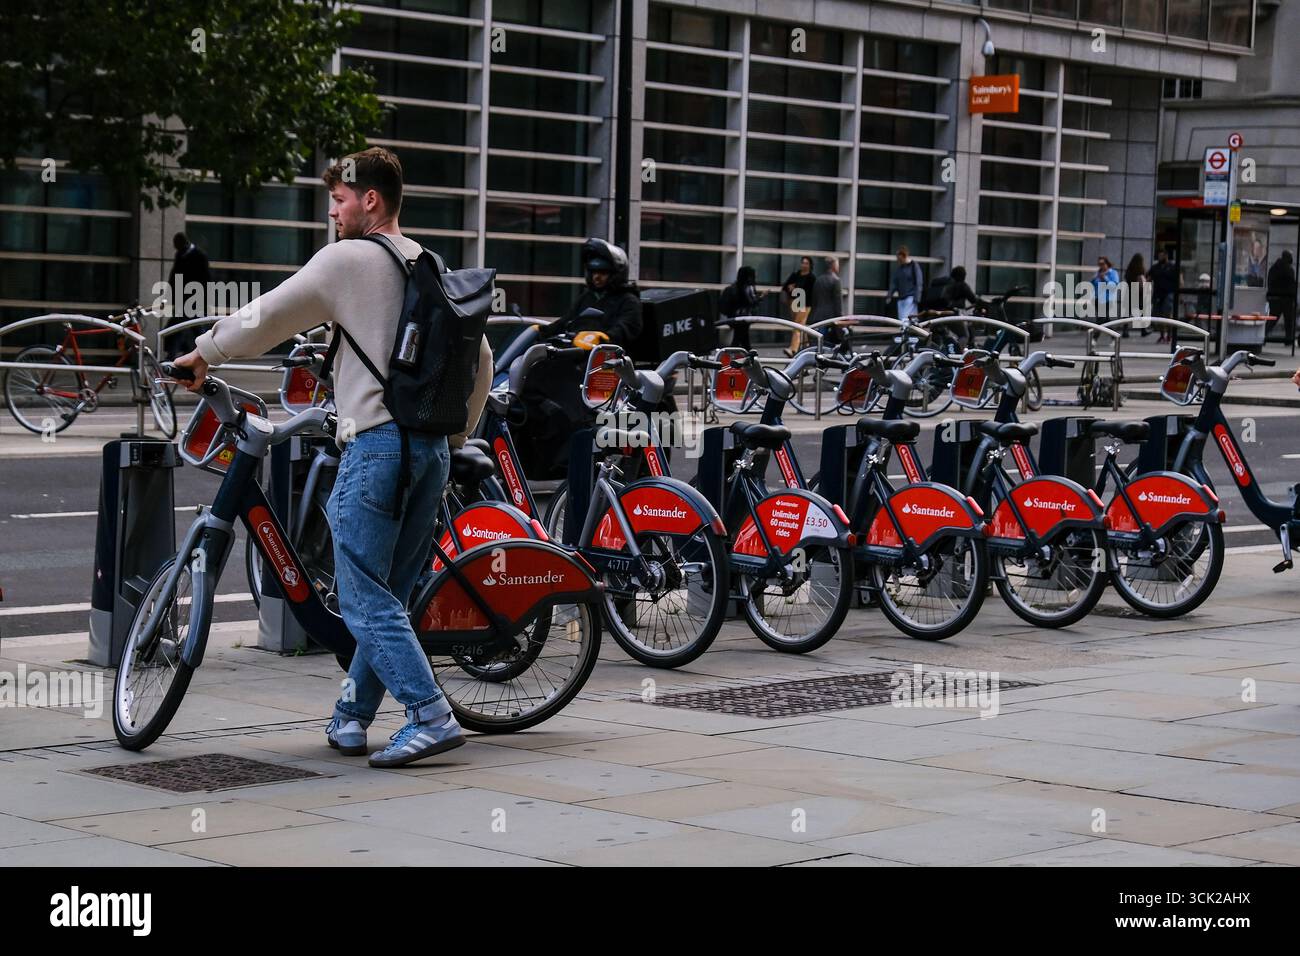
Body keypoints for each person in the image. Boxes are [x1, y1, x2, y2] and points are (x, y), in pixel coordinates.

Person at [173, 147, 493, 769]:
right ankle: (352, 717)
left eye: (340, 201)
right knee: (388, 595)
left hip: (375, 446)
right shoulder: (428, 263)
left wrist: (205, 351)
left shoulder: (348, 261)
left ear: (371, 200)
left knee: (360, 598)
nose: (333, 213)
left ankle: (430, 715)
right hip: (428, 452)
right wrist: (453, 440)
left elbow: (269, 314)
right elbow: (478, 360)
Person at [555, 238, 642, 349]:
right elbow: (565, 321)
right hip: (576, 353)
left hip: (610, 358)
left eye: (603, 272)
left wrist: (605, 337)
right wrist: (539, 331)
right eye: (594, 272)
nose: (596, 277)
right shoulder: (588, 297)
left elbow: (626, 327)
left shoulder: (628, 300)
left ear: (616, 273)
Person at [165, 232, 212, 359]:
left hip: (195, 299)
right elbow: (174, 276)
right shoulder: (180, 255)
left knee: (179, 327)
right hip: (182, 299)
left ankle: (172, 354)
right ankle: (204, 354)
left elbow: (206, 279)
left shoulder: (200, 256)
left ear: (185, 243)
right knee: (193, 328)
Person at [719, 265, 763, 351]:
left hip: (734, 317)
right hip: (744, 318)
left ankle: (747, 356)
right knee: (739, 341)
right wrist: (761, 297)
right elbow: (752, 301)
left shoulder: (735, 287)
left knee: (742, 340)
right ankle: (731, 356)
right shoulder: (748, 287)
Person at [941, 266, 984, 347]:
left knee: (947, 334)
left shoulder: (947, 284)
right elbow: (973, 299)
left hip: (940, 313)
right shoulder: (962, 285)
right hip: (953, 313)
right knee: (964, 335)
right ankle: (958, 354)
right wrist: (982, 305)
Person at [781, 256, 816, 356]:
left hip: (804, 304)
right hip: (794, 303)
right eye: (803, 263)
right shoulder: (796, 275)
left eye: (806, 263)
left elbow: (810, 292)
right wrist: (790, 288)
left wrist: (796, 287)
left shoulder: (811, 278)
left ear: (810, 265)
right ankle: (807, 347)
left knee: (797, 326)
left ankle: (793, 349)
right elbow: (785, 286)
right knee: (802, 327)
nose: (804, 265)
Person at [887, 246, 925, 323]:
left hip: (910, 297)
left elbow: (919, 282)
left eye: (900, 259)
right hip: (901, 298)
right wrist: (889, 295)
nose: (898, 261)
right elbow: (894, 283)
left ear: (904, 256)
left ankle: (910, 334)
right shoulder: (900, 269)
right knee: (902, 319)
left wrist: (917, 298)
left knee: (906, 318)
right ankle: (905, 334)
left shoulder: (914, 266)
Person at [1148, 248, 1179, 344]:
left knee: (1167, 314)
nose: (1160, 257)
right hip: (1158, 294)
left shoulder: (1172, 267)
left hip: (1169, 293)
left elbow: (1179, 280)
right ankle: (1162, 335)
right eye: (1159, 256)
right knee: (1159, 315)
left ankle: (1169, 335)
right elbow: (1148, 277)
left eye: (1162, 256)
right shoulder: (1155, 267)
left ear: (1166, 256)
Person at [810, 256, 843, 343]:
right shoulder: (836, 280)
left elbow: (814, 300)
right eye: (837, 265)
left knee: (818, 342)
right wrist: (840, 318)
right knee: (828, 344)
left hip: (817, 316)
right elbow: (837, 302)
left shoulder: (818, 280)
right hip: (830, 318)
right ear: (834, 266)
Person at [1267, 250, 1297, 345]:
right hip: (1287, 299)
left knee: (1272, 320)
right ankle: (1288, 340)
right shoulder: (1289, 269)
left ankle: (1263, 335)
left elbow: (1270, 282)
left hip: (1275, 298)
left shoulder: (1274, 268)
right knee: (1288, 321)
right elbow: (1292, 285)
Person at [1123, 253, 1147, 337]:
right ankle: (1143, 330)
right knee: (1141, 311)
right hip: (1138, 293)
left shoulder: (1130, 269)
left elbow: (1126, 278)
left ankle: (1125, 330)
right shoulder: (1141, 270)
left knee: (1127, 312)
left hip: (1129, 292)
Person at [1091, 256, 1120, 320]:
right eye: (1099, 264)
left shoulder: (1113, 273)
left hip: (1108, 299)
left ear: (1107, 263)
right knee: (1101, 317)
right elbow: (1093, 284)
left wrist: (1105, 279)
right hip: (1097, 298)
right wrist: (1094, 279)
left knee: (1102, 317)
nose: (1101, 266)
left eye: (1102, 264)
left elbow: (1114, 286)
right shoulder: (1098, 273)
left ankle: (1102, 329)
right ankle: (1104, 328)